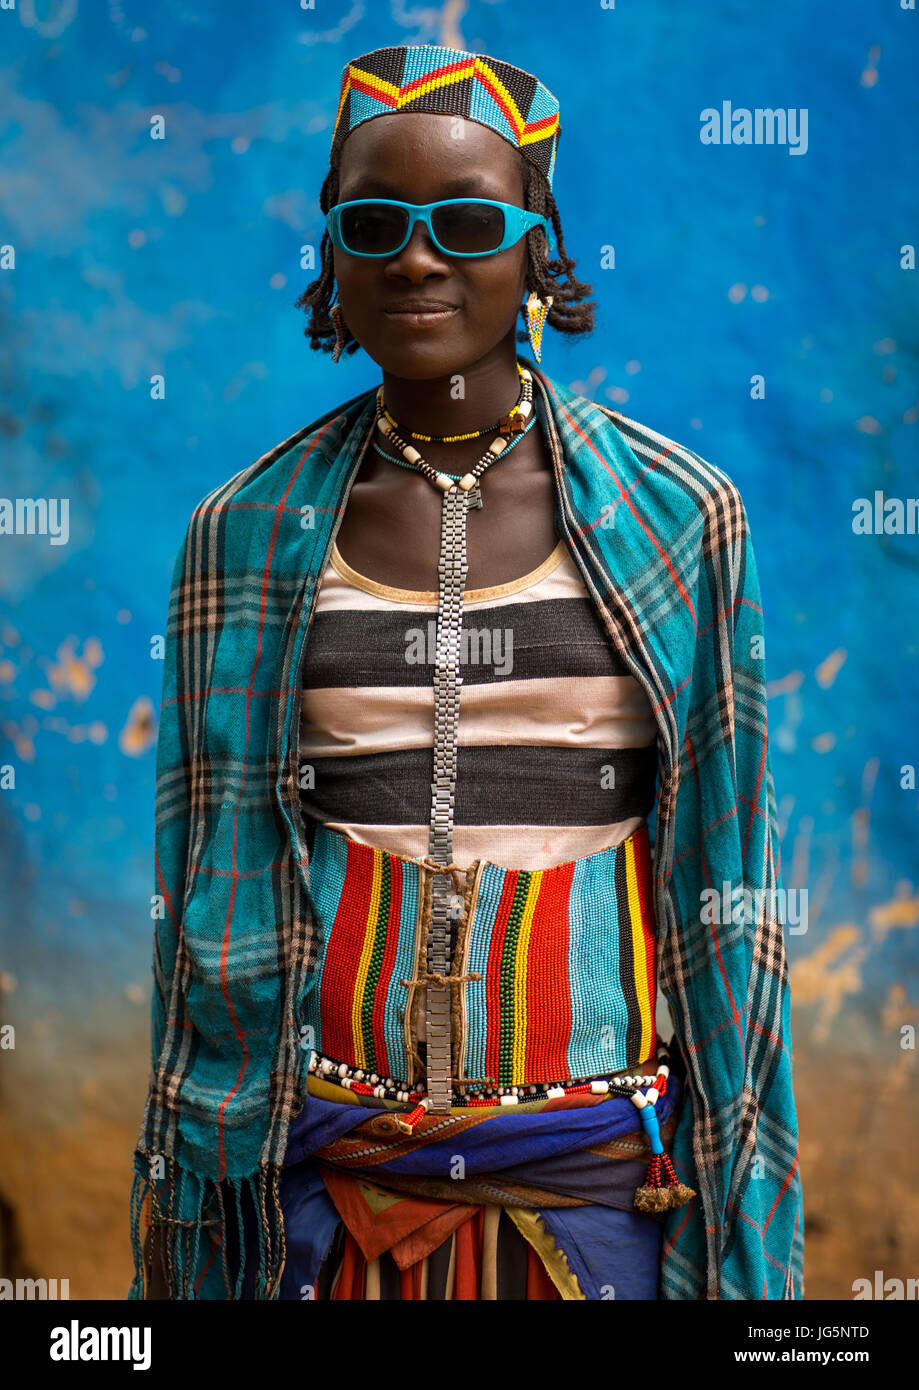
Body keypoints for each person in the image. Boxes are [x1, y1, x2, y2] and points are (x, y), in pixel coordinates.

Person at [132, 43, 804, 1301]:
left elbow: (730, 886)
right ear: (330, 255)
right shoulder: (246, 532)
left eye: (467, 221)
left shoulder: (676, 517)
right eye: (373, 221)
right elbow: (201, 903)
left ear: (536, 249)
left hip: (601, 1186)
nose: (418, 257)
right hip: (316, 1190)